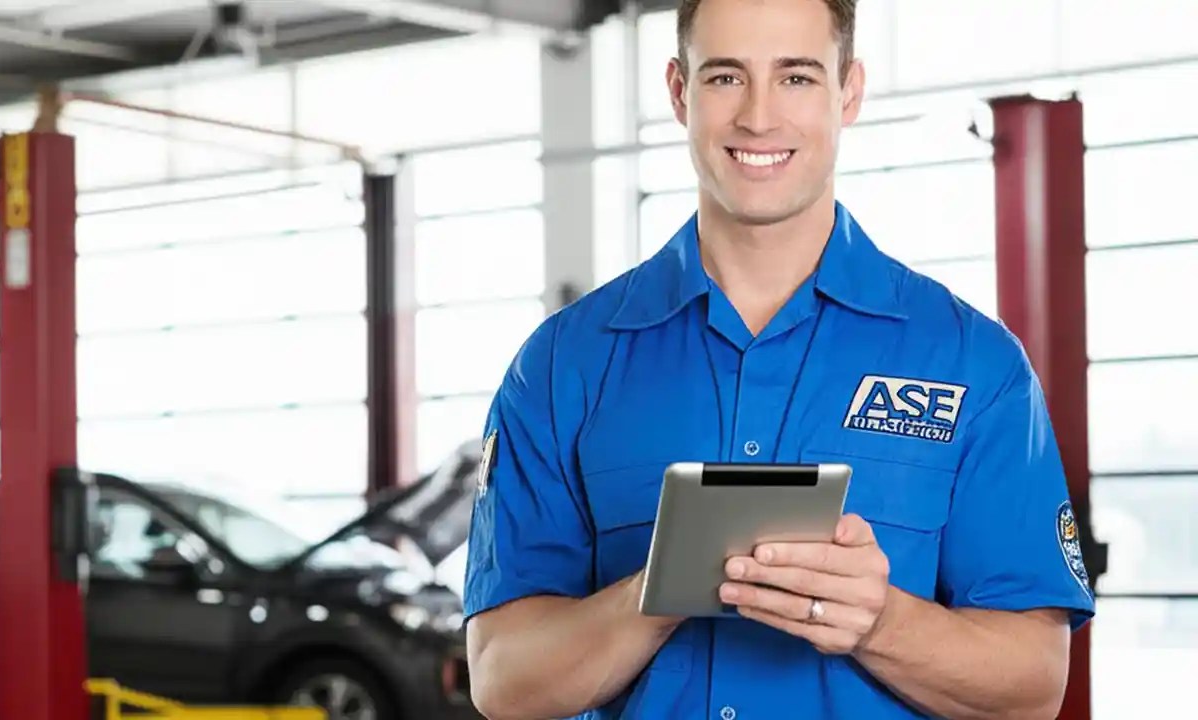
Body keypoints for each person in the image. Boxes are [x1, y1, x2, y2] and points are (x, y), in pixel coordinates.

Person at [462, 0, 1096, 717]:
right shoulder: (561, 366)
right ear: (679, 92)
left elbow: (1034, 687)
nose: (759, 117)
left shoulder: (972, 364)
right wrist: (661, 587)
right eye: (726, 77)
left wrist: (881, 623)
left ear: (848, 92)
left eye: (795, 78)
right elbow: (501, 680)